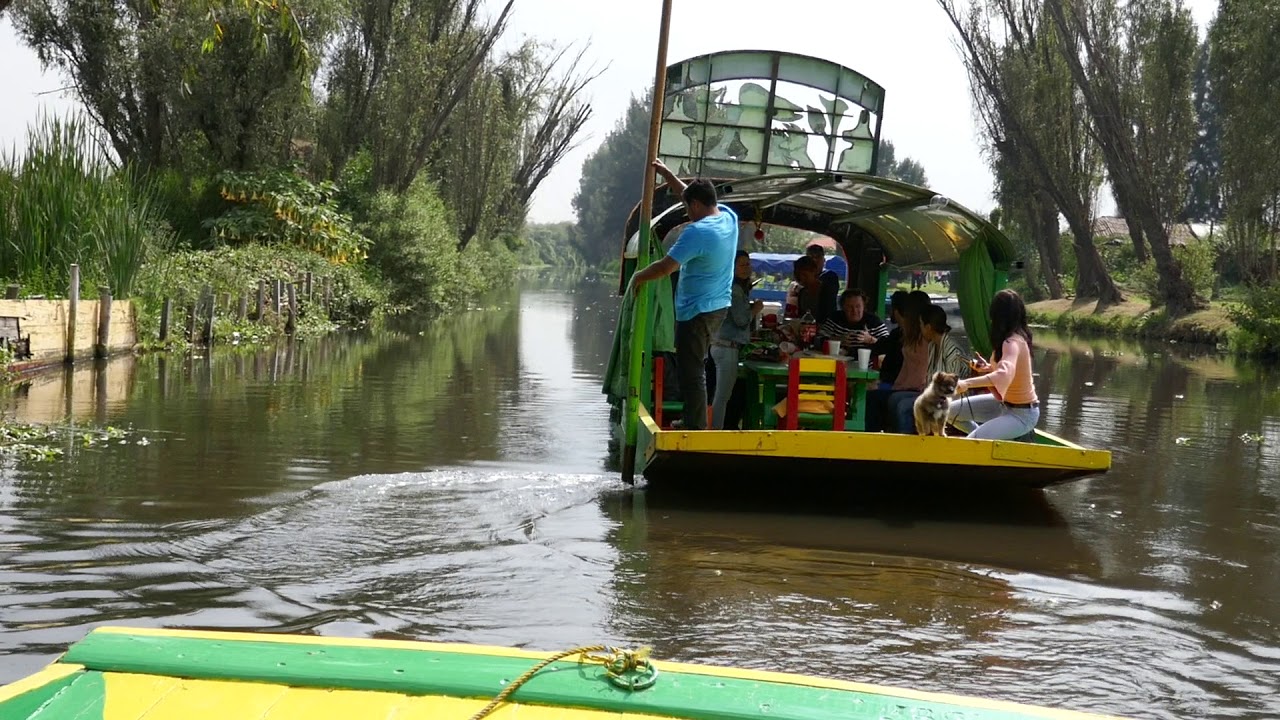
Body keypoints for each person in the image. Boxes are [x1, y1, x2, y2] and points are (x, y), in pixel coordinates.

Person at [630, 159, 738, 430]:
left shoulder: (697, 232)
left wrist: (638, 277)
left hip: (697, 310)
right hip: (718, 307)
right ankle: (692, 420)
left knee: (692, 370)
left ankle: (695, 427)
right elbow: (688, 195)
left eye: (688, 208)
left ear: (697, 206)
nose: (687, 213)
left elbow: (666, 267)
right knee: (695, 365)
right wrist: (667, 174)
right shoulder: (728, 217)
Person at [949, 289, 1040, 440]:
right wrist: (987, 369)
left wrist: (966, 383)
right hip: (1003, 404)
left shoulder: (1012, 342)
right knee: (949, 412)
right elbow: (1003, 378)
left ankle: (979, 438)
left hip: (1022, 415)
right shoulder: (1009, 340)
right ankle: (982, 437)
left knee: (971, 442)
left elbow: (1003, 375)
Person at [710, 251, 763, 429]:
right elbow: (741, 320)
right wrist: (755, 309)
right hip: (727, 347)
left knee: (722, 394)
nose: (746, 268)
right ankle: (715, 432)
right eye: (741, 265)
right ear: (731, 267)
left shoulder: (732, 287)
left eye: (748, 264)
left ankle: (716, 428)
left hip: (721, 345)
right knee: (722, 396)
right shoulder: (734, 289)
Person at [864, 292, 929, 432]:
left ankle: (901, 441)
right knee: (873, 397)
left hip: (922, 388)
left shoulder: (927, 338)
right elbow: (906, 369)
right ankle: (874, 438)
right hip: (903, 385)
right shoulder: (907, 336)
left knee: (899, 403)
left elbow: (922, 372)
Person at [819, 288, 889, 351]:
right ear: (843, 307)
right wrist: (838, 339)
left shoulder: (874, 322)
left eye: (858, 306)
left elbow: (888, 345)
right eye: (850, 307)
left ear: (864, 306)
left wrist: (870, 339)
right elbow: (818, 339)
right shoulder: (835, 318)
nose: (854, 310)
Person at [786, 255, 837, 323]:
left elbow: (829, 315)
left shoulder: (826, 291)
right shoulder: (802, 292)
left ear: (814, 272)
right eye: (797, 276)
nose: (801, 279)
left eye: (805, 275)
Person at [923, 304, 969, 378]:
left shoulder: (953, 351)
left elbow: (951, 382)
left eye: (920, 324)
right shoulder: (932, 345)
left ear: (928, 327)